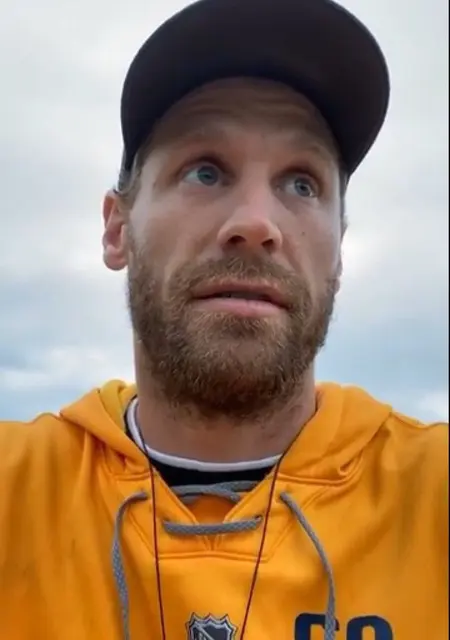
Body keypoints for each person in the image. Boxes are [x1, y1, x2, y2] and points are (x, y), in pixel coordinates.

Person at [0, 0, 447, 638]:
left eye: (301, 184)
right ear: (118, 228)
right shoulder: (14, 494)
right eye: (205, 171)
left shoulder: (431, 497)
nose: (256, 224)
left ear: (339, 252)